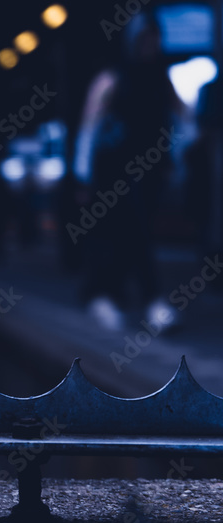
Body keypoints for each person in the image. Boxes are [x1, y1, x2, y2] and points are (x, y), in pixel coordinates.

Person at [73, 14, 187, 331]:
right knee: (128, 231)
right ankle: (146, 300)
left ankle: (105, 296)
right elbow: (89, 130)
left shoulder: (162, 81)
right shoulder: (111, 79)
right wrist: (82, 175)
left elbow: (178, 123)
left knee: (133, 232)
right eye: (145, 39)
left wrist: (175, 162)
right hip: (112, 171)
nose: (151, 45)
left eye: (155, 39)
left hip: (150, 173)